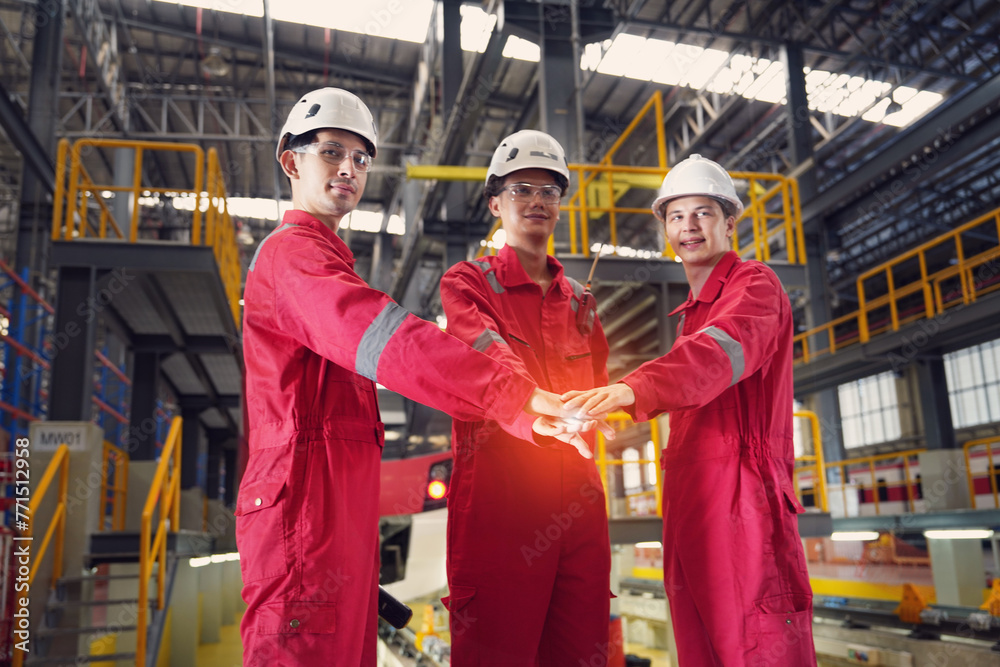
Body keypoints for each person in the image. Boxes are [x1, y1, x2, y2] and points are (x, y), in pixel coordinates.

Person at [236, 89, 586, 667]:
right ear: (291, 160)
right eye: (331, 152)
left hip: (330, 518)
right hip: (304, 515)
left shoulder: (323, 259)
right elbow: (391, 343)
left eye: (361, 158)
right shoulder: (291, 258)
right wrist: (513, 397)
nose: (349, 169)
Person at [562, 154, 817, 666]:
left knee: (759, 649)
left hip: (745, 508)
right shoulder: (693, 315)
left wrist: (631, 390)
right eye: (676, 217)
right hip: (692, 511)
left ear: (729, 221)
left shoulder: (755, 287)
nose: (689, 227)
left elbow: (715, 358)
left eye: (703, 213)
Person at [439, 130, 613, 666]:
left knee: (582, 647)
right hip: (498, 498)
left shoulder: (582, 303)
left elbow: (602, 386)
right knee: (497, 648)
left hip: (579, 500)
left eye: (548, 190)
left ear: (560, 204)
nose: (536, 200)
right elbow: (488, 357)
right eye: (520, 189)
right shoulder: (468, 284)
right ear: (495, 203)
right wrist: (541, 407)